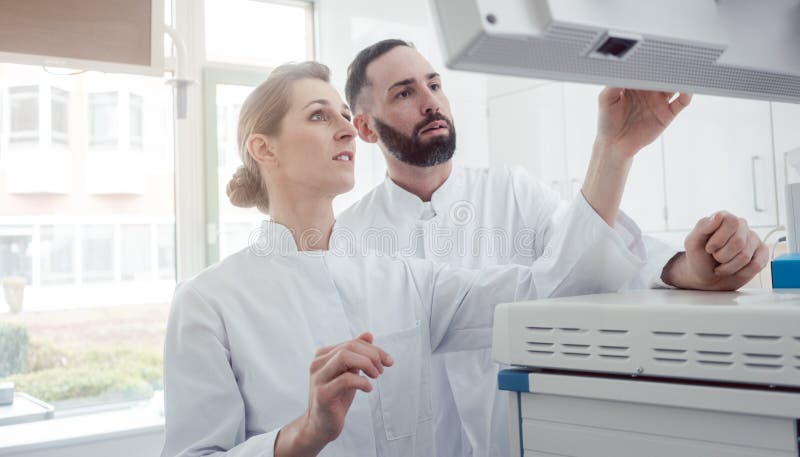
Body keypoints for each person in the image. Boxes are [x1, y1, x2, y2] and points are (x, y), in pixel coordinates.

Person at [160, 61, 654, 457]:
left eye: (341, 115)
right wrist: (304, 435)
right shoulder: (207, 303)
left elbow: (549, 290)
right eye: (318, 115)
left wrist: (613, 151)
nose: (346, 130)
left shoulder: (406, 279)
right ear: (263, 149)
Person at [337, 39, 769, 457]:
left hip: (523, 438)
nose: (431, 102)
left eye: (434, 84)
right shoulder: (353, 236)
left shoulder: (513, 191)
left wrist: (686, 269)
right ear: (365, 128)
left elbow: (588, 254)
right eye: (404, 92)